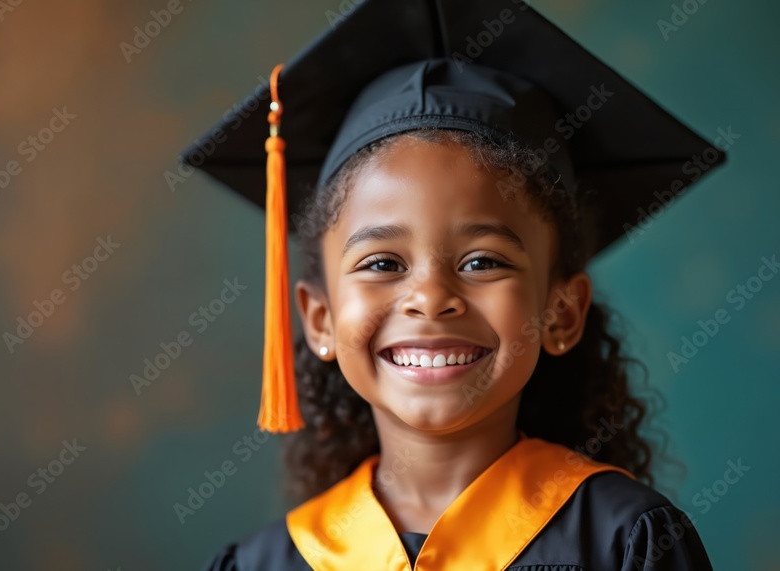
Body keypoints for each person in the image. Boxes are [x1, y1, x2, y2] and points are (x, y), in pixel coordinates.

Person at [182, 0, 724, 569]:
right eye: (383, 263)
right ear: (319, 318)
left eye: (482, 261)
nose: (430, 297)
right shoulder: (263, 564)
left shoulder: (626, 543)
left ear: (562, 312)